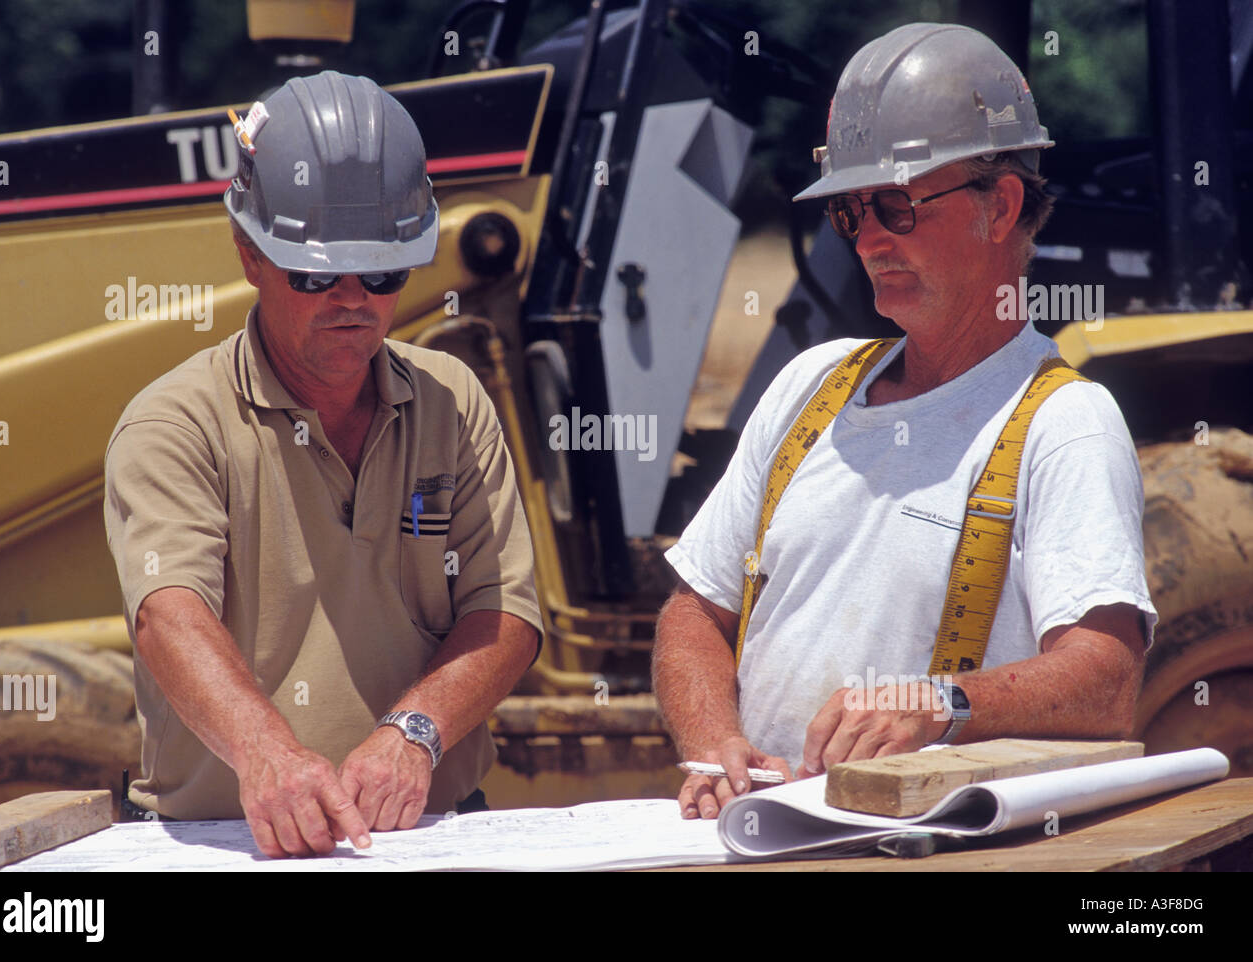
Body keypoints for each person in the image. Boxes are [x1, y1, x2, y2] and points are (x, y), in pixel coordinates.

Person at [653, 23, 1157, 819]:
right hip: (767, 836)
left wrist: (939, 705)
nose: (871, 240)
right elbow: (695, 611)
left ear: (1004, 206)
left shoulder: (1065, 422)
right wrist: (715, 742)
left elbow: (1105, 677)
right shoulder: (806, 386)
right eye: (853, 213)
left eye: (896, 204)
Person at [103, 71, 542, 857]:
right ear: (248, 255)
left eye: (382, 275)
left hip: (432, 835)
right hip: (227, 840)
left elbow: (504, 611)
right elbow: (170, 615)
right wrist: (264, 753)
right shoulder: (174, 422)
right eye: (315, 276)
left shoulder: (452, 399)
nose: (353, 299)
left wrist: (415, 734)